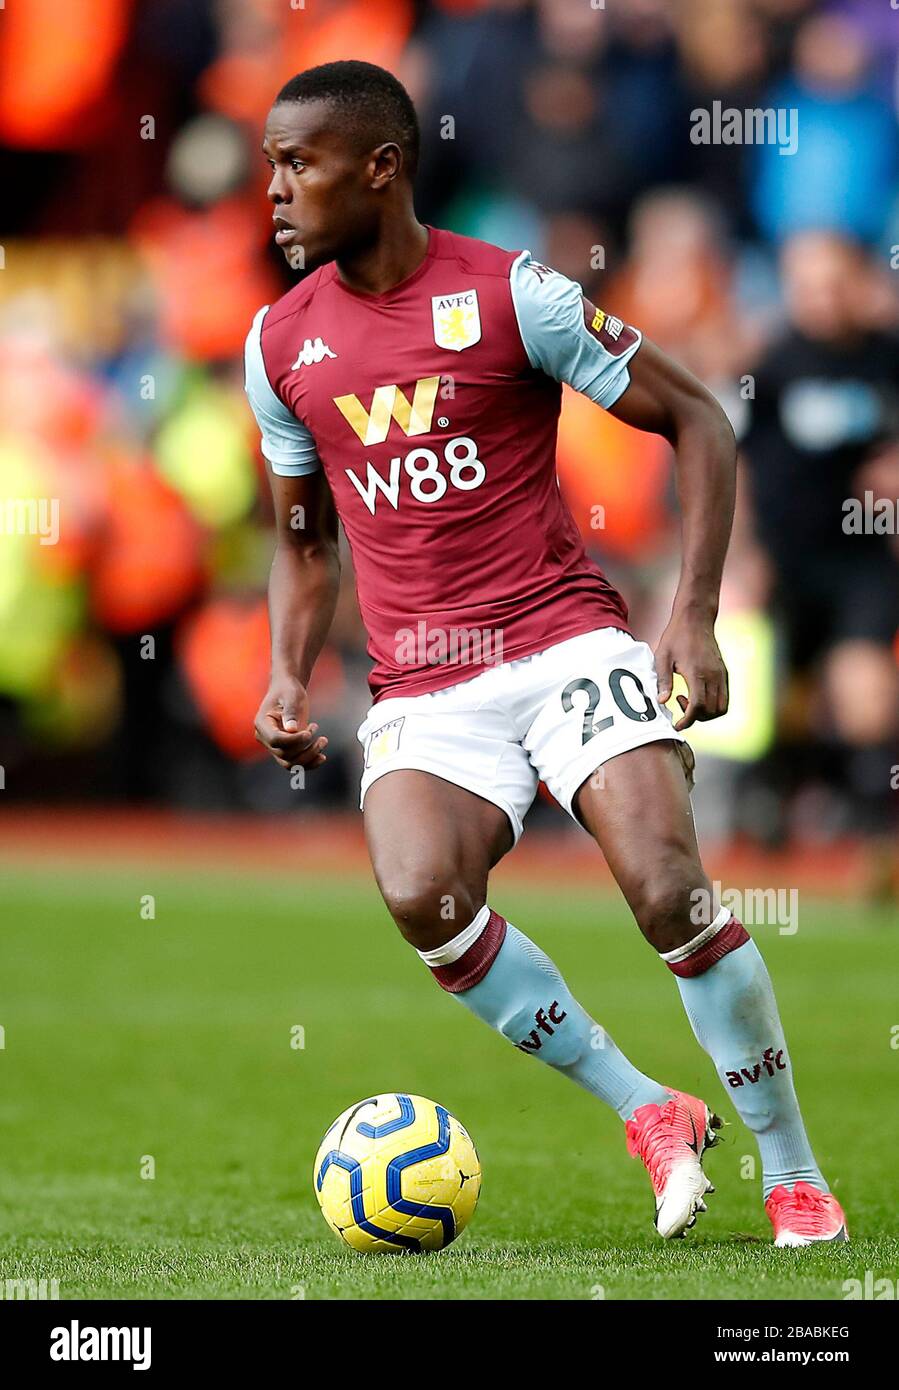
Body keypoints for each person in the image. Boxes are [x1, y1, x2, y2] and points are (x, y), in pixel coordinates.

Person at [246, 60, 846, 1246]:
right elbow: (302, 545)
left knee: (668, 892)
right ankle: (645, 1110)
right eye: (270, 163)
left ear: (381, 167)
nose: (273, 189)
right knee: (423, 894)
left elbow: (698, 420)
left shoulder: (515, 294)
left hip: (564, 639)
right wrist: (283, 667)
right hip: (423, 683)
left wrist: (692, 613)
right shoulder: (279, 345)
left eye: (295, 162)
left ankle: (792, 1171)